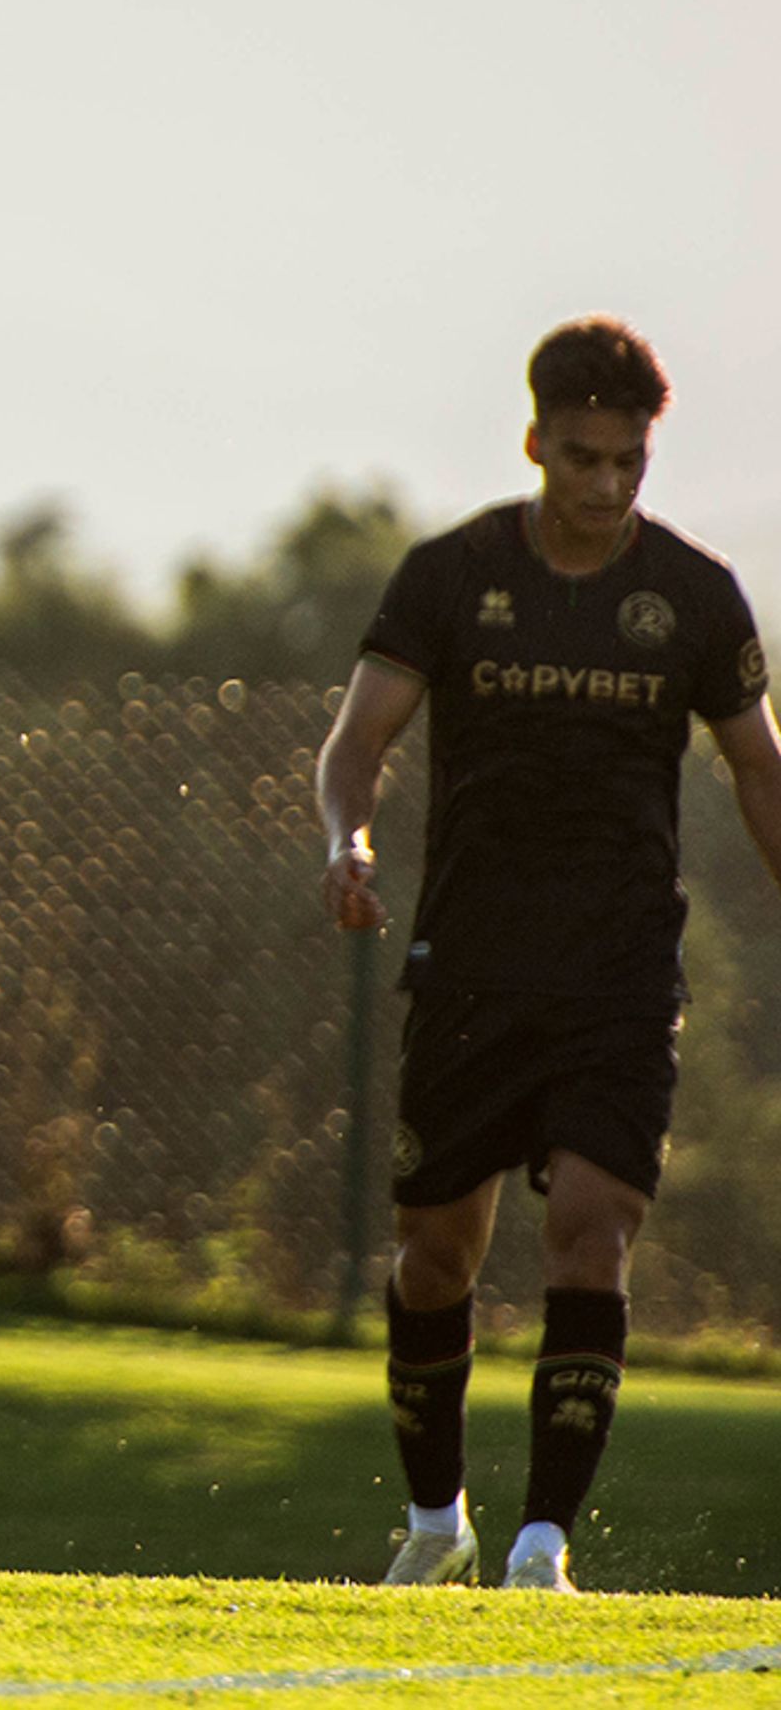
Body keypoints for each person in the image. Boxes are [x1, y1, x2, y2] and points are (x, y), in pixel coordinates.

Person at [316, 316, 781, 1592]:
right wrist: (345, 839)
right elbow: (355, 742)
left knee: (590, 1231)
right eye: (582, 458)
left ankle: (540, 1543)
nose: (607, 483)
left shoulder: (692, 595)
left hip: (618, 973)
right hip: (468, 964)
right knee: (432, 1254)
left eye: (628, 460)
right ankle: (436, 1520)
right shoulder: (450, 576)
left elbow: (757, 766)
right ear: (533, 444)